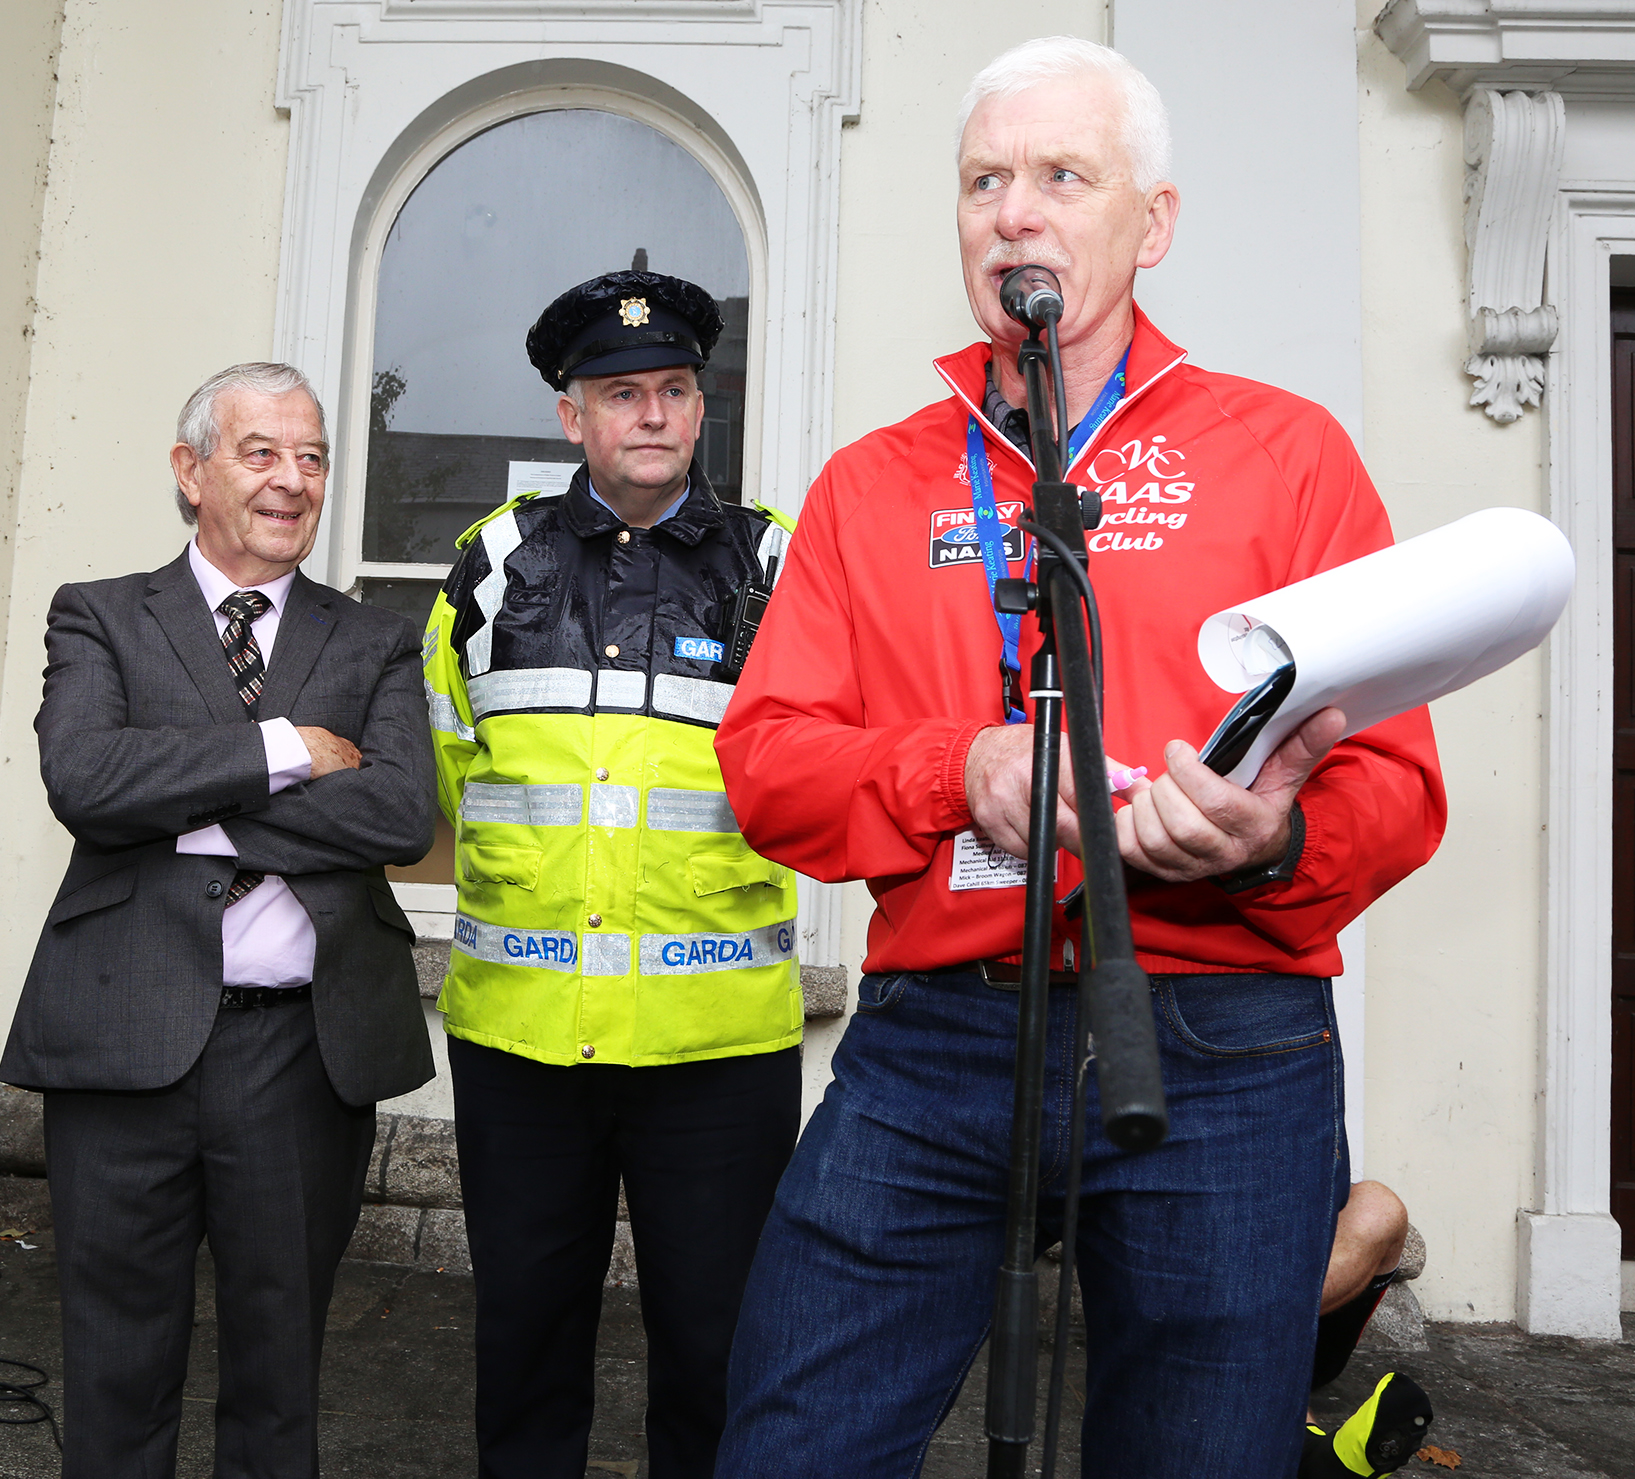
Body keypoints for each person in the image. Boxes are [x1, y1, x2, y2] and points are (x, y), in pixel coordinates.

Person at [711, 36, 1447, 1479]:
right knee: (792, 1439)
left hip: (1225, 1043)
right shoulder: (874, 481)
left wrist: (1270, 839)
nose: (1012, 211)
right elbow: (768, 766)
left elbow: (1398, 789)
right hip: (938, 1031)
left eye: (1060, 174)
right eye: (984, 178)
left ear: (1149, 221)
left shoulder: (1286, 455)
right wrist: (952, 770)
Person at [0, 362, 437, 1478]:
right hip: (121, 1039)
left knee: (278, 1375)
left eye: (315, 456)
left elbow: (396, 812)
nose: (295, 480)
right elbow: (87, 780)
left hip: (300, 1052)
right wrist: (285, 754)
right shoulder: (100, 614)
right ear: (192, 471)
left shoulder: (375, 637)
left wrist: (186, 814)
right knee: (115, 1371)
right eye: (263, 453)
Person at [421, 270, 803, 1479]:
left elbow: (816, 774)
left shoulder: (774, 569)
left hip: (717, 1049)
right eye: (620, 391)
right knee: (525, 1348)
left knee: (719, 1352)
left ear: (702, 409)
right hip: (524, 1040)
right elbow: (449, 769)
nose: (652, 414)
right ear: (569, 415)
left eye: (676, 390)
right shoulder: (490, 567)